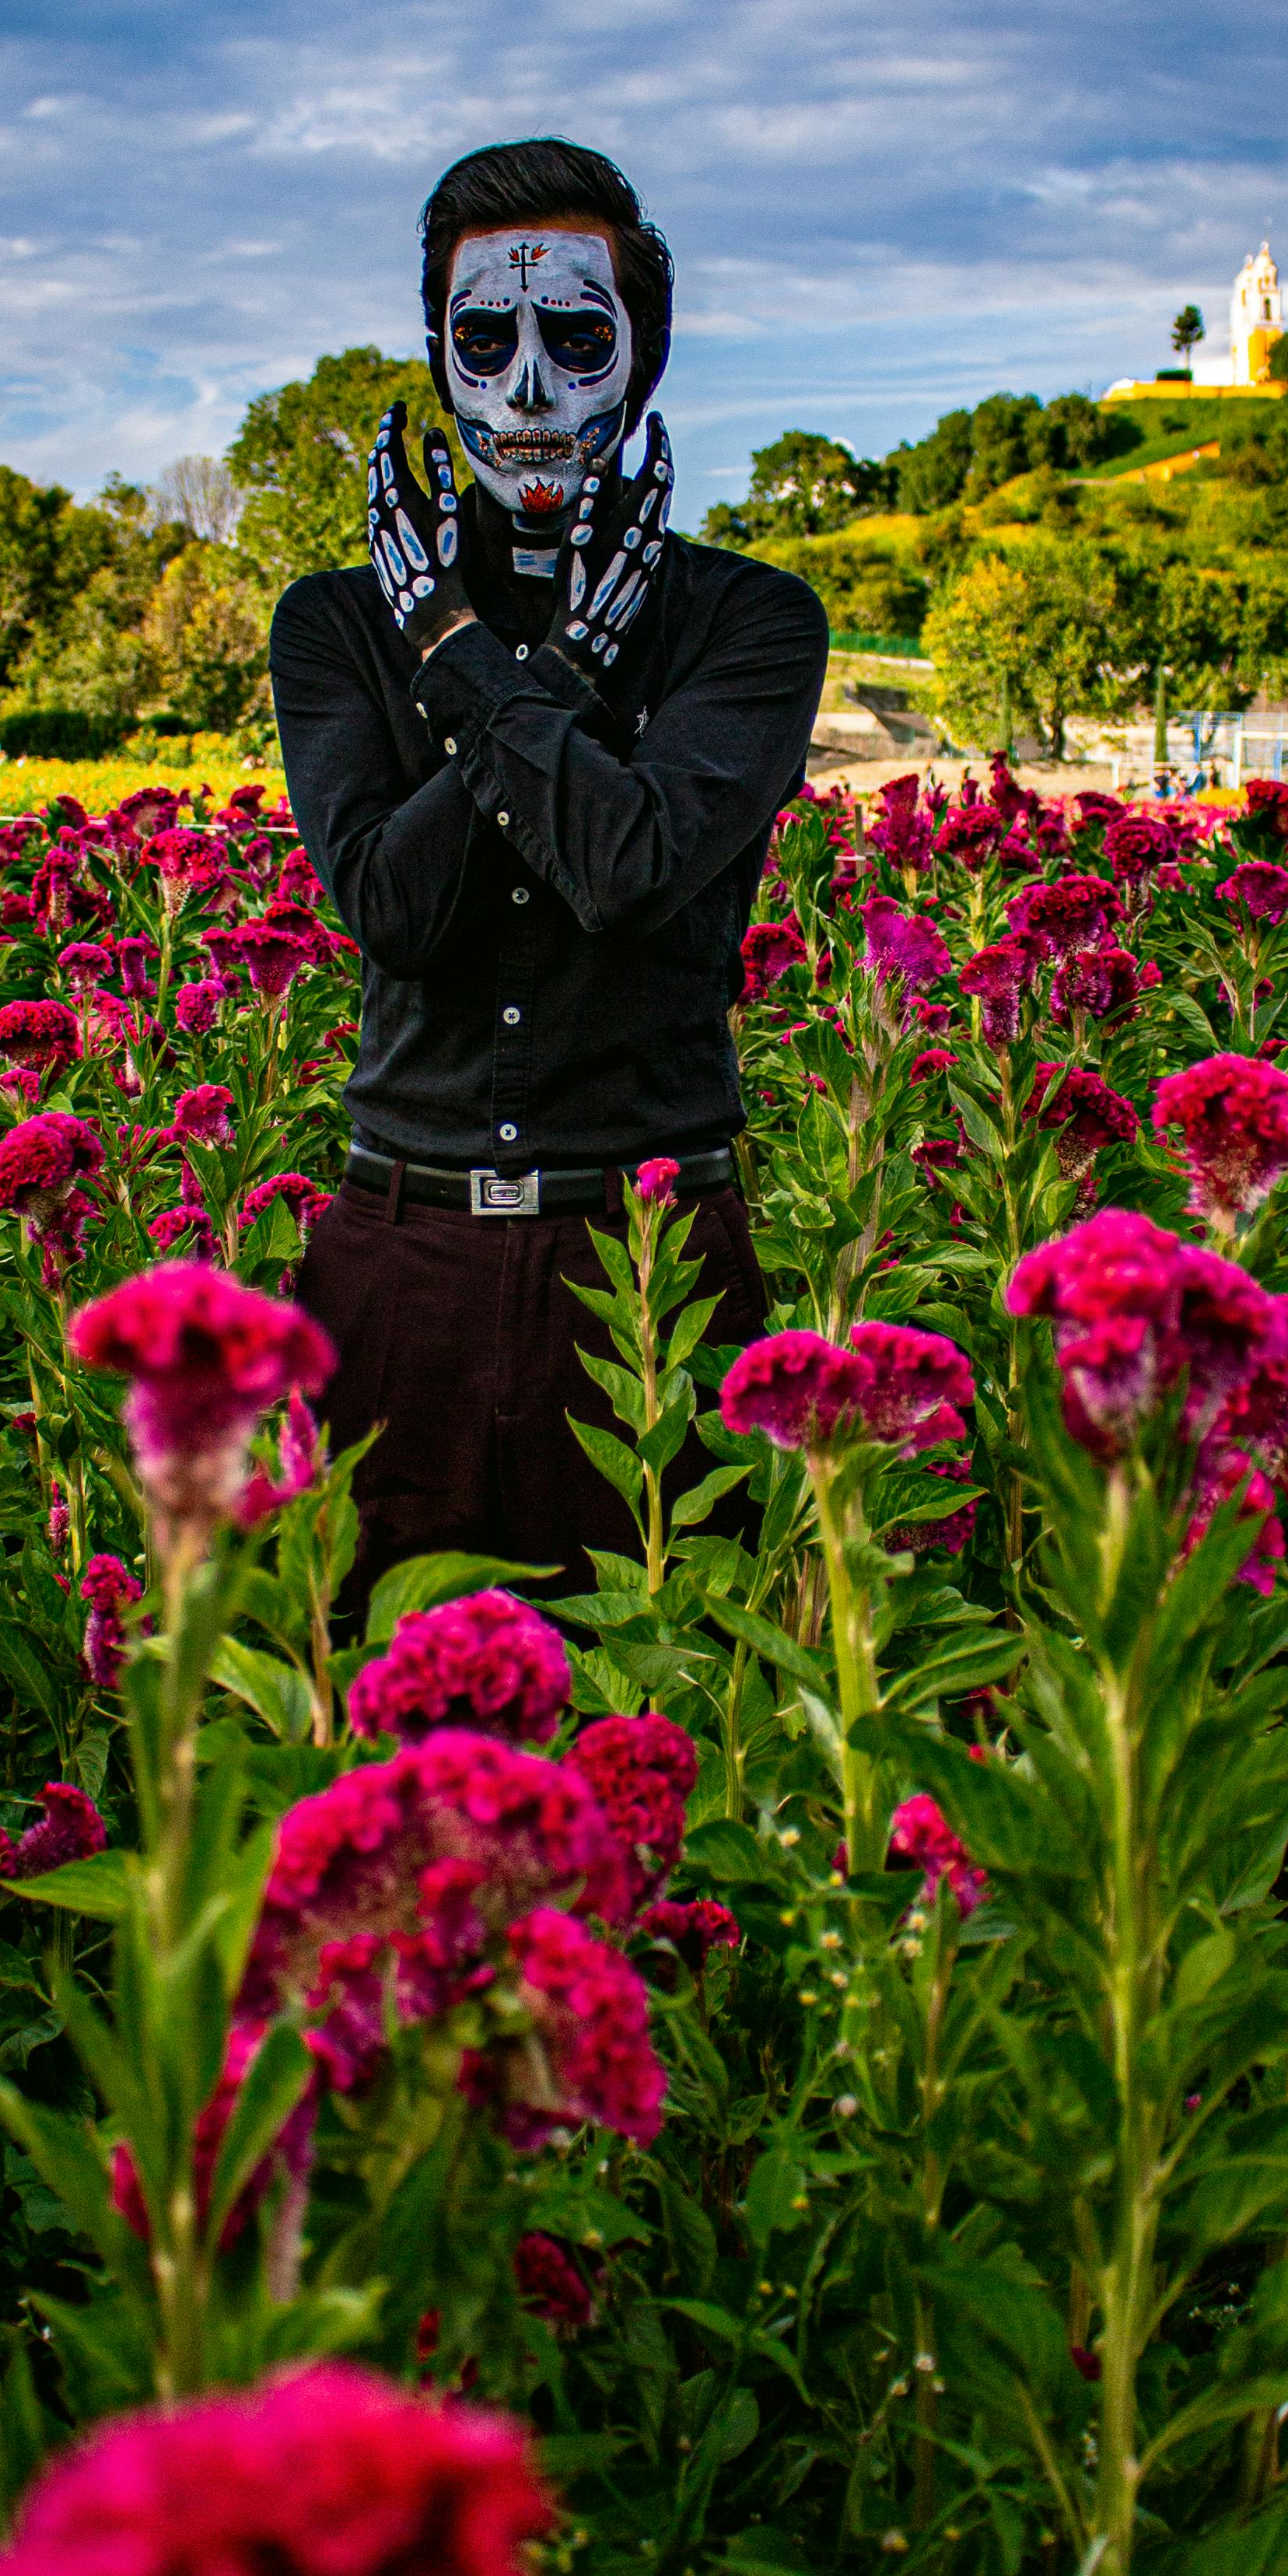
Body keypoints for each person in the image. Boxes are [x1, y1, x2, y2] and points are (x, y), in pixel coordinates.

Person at [268, 137, 828, 1587]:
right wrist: (558, 666)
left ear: (642, 362)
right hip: (403, 1265)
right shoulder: (334, 622)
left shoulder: (749, 622)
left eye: (576, 341)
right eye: (486, 340)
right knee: (360, 1734)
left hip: (652, 1272)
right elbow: (389, 906)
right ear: (439, 359)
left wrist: (456, 654)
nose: (526, 391)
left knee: (666, 1735)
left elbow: (629, 866)